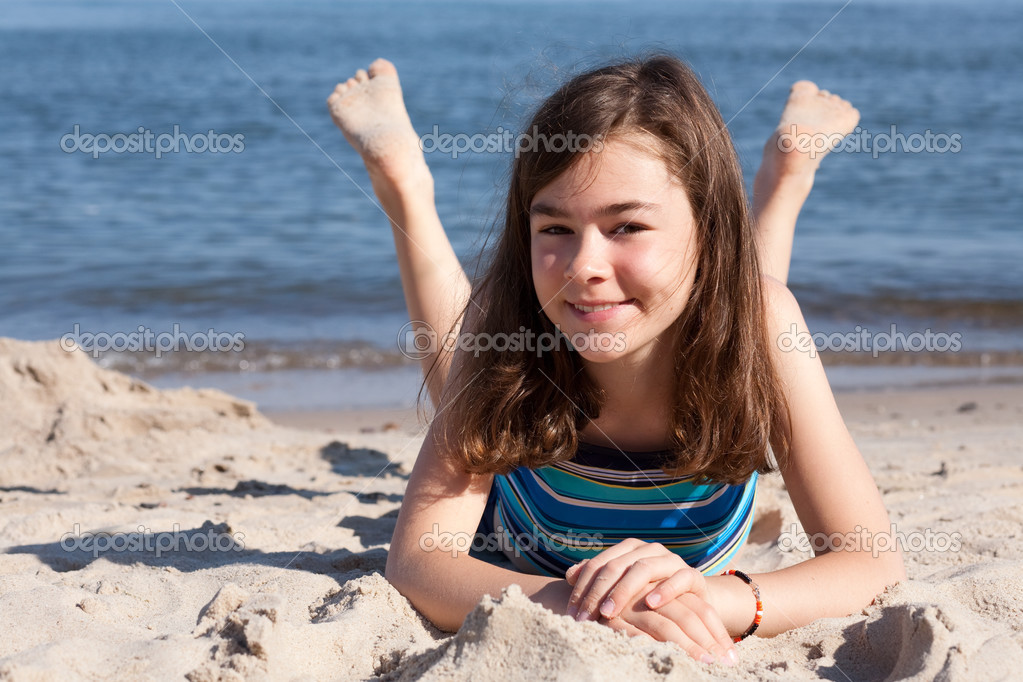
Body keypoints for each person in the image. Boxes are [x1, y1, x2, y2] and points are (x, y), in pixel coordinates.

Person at [327, 56, 904, 668]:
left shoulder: (765, 323)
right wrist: (580, 604)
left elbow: (871, 561)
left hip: (729, 317)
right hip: (525, 512)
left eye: (626, 225)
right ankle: (403, 184)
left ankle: (785, 182)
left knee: (741, 318)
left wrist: (710, 598)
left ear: (706, 227)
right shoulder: (512, 311)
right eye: (555, 228)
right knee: (466, 363)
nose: (583, 266)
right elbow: (418, 560)